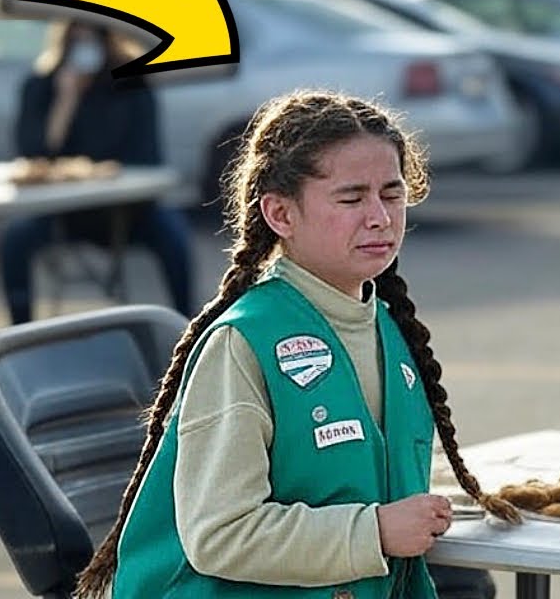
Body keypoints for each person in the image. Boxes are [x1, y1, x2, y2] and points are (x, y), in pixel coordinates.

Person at [73, 89, 519, 599]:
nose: (379, 216)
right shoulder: (243, 342)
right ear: (281, 215)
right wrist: (373, 531)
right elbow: (219, 535)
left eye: (392, 194)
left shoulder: (387, 327)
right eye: (351, 198)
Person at [1, 20, 194, 323]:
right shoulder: (42, 85)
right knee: (14, 238)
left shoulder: (130, 86)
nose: (84, 48)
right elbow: (32, 156)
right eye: (76, 40)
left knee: (173, 234)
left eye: (92, 38)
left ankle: (190, 325)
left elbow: (148, 158)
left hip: (124, 211)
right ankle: (18, 331)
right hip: (62, 213)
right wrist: (66, 101)